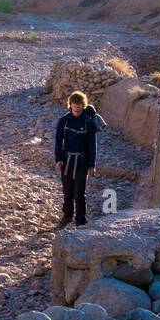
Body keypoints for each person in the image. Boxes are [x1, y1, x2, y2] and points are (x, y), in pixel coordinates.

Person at [54, 90, 105, 229]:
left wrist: (92, 164)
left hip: (82, 162)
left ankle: (81, 221)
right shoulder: (64, 121)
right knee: (67, 191)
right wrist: (58, 159)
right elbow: (58, 141)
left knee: (79, 193)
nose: (76, 108)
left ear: (83, 105)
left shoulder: (89, 123)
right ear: (70, 105)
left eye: (79, 105)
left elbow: (92, 144)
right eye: (74, 105)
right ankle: (67, 216)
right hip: (67, 161)